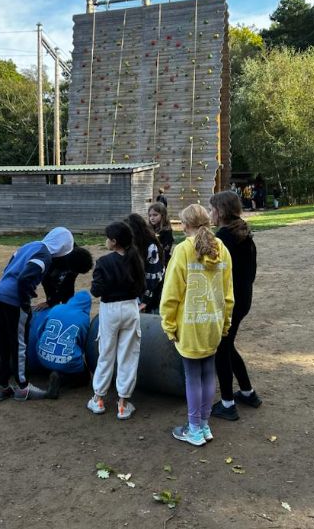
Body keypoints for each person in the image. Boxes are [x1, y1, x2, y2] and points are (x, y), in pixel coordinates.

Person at [160, 204, 234, 446]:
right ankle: (204, 425)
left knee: (192, 377)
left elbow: (171, 293)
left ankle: (193, 429)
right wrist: (225, 323)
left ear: (185, 225)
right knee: (208, 374)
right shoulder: (222, 249)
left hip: (190, 327)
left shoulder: (183, 250)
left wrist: (168, 324)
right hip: (213, 325)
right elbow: (228, 294)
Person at [0, 227, 74, 401]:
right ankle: (23, 387)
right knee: (19, 343)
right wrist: (25, 301)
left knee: (3, 342)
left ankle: (2, 386)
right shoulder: (45, 255)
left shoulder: (29, 245)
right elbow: (25, 278)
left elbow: (9, 267)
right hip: (14, 299)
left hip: (0, 293)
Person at [209, 191, 262, 420]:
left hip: (229, 302)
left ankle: (228, 404)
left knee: (221, 349)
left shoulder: (223, 237)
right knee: (228, 345)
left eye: (212, 209)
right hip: (242, 298)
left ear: (220, 211)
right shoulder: (243, 231)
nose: (210, 214)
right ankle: (248, 393)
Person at [88, 221, 146, 419]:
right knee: (129, 355)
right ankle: (123, 404)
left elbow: (96, 290)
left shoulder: (104, 262)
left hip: (110, 310)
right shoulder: (135, 259)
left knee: (106, 353)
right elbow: (142, 287)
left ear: (113, 241)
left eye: (108, 238)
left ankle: (98, 399)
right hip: (131, 308)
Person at [29, 290, 93, 399]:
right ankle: (62, 378)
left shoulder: (57, 308)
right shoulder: (84, 318)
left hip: (41, 356)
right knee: (85, 377)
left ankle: (53, 370)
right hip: (65, 360)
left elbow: (40, 330)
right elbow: (82, 343)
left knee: (54, 361)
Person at [125, 213, 165, 314]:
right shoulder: (133, 244)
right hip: (139, 291)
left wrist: (145, 300)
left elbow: (154, 276)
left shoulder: (150, 246)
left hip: (152, 293)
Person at [36, 246, 94, 310]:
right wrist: (50, 301)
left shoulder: (78, 256)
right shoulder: (51, 258)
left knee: (68, 294)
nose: (75, 274)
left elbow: (69, 281)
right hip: (52, 264)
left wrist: (68, 302)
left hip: (67, 261)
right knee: (53, 300)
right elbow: (46, 280)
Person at [148, 202, 174, 269]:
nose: (152, 218)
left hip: (162, 263)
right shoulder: (148, 230)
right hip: (149, 262)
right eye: (150, 215)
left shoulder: (167, 231)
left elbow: (166, 250)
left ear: (163, 215)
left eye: (155, 215)